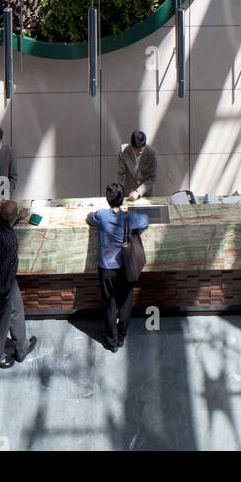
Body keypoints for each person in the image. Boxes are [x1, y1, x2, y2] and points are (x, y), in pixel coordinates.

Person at [86, 182, 149, 352]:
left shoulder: (102, 215)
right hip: (125, 266)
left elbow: (89, 217)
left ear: (108, 199)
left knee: (109, 302)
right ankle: (122, 336)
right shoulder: (129, 217)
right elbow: (145, 221)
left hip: (107, 267)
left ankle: (111, 341)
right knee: (126, 301)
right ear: (122, 199)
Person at [0, 200, 36, 369]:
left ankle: (21, 347)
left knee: (17, 308)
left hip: (0, 278)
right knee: (0, 321)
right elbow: (5, 271)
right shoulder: (9, 243)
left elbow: (6, 220)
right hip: (1, 284)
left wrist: (18, 217)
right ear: (10, 219)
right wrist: (3, 293)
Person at [117, 129, 157, 201]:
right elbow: (120, 174)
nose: (137, 153)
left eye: (140, 151)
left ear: (144, 146)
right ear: (131, 145)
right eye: (135, 150)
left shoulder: (151, 153)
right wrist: (120, 191)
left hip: (145, 193)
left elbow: (152, 177)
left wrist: (138, 192)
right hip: (128, 192)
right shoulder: (124, 151)